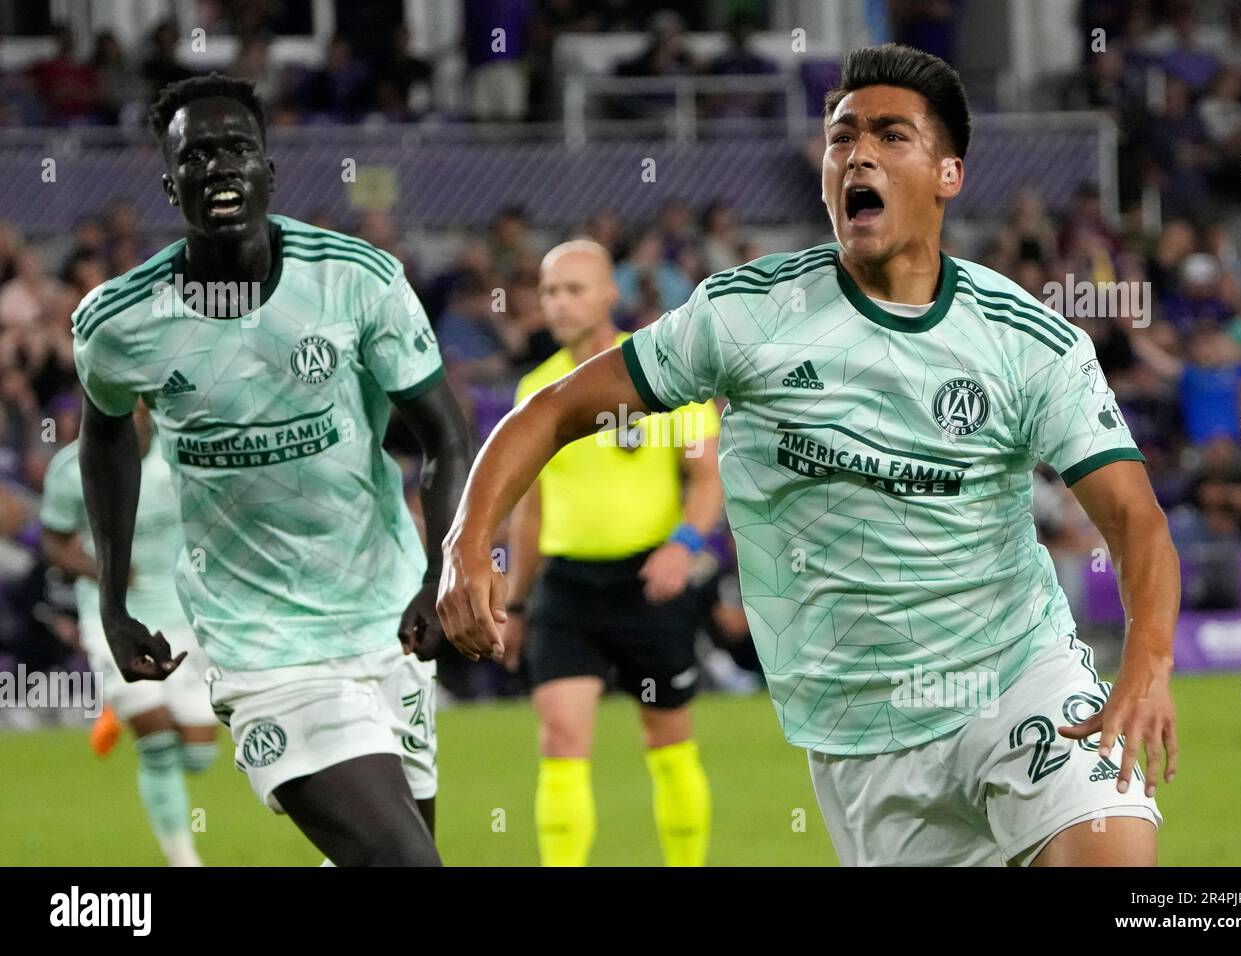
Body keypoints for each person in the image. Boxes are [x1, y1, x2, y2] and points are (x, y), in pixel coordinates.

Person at [438, 45, 1181, 867]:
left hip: (1015, 678)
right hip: (858, 730)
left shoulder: (1026, 339)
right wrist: (468, 541)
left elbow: (1135, 519)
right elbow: (549, 411)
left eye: (891, 136)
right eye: (841, 137)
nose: (856, 153)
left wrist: (1146, 661)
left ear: (948, 174)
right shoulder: (744, 317)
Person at [72, 74, 474, 867]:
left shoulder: (357, 281)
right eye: (197, 157)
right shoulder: (120, 323)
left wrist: (442, 574)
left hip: (386, 619)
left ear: (269, 171)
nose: (219, 169)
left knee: (403, 852)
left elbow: (448, 438)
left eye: (237, 151)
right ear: (169, 181)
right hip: (262, 646)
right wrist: (112, 601)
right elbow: (106, 437)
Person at [507, 240, 723, 866]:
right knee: (561, 737)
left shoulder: (662, 371)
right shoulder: (535, 388)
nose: (561, 303)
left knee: (669, 739)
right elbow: (532, 509)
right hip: (567, 588)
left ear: (609, 295)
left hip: (649, 585)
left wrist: (684, 545)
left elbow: (707, 477)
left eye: (575, 289)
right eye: (550, 291)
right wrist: (517, 601)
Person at [40, 402, 216, 866]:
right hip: (112, 618)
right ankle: (184, 861)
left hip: (182, 616)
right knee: (158, 747)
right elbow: (53, 540)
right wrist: (99, 571)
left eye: (139, 417)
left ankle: (115, 713)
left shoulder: (180, 459)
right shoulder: (72, 469)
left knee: (199, 758)